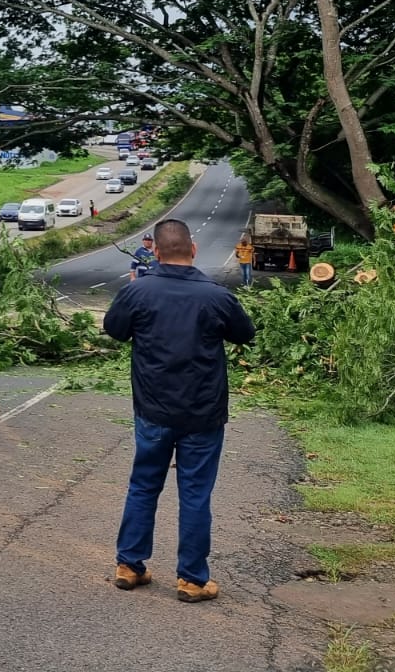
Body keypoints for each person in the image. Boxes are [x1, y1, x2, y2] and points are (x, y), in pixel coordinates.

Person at [103, 218, 256, 603]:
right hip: (203, 414)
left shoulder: (136, 293)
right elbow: (245, 334)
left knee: (143, 485)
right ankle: (191, 579)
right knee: (195, 494)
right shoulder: (216, 296)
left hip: (152, 410)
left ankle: (130, 565)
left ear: (155, 251)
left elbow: (115, 330)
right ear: (193, 250)